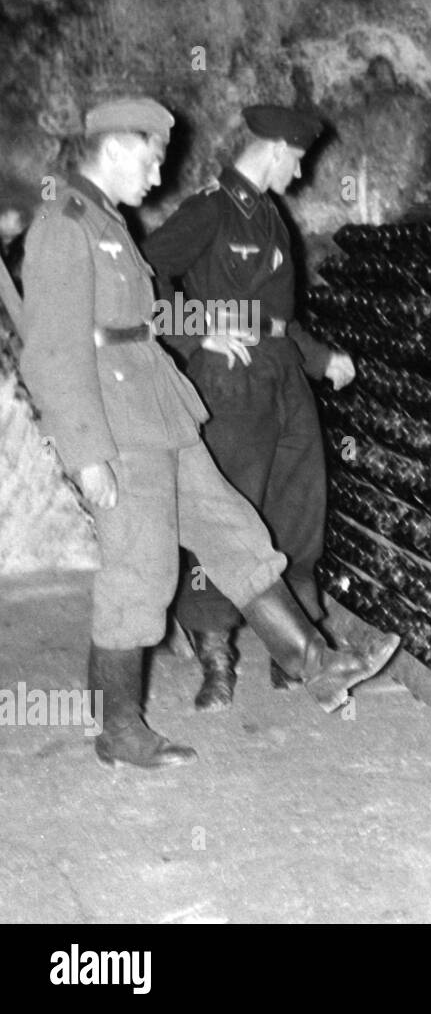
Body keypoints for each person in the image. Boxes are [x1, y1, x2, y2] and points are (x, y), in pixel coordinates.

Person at [18, 96, 399, 770]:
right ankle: (119, 729)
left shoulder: (109, 220)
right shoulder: (64, 225)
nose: (158, 172)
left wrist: (203, 326)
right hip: (115, 421)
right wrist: (86, 454)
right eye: (150, 155)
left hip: (163, 409)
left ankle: (315, 663)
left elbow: (142, 312)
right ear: (112, 149)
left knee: (235, 531)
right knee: (142, 573)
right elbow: (52, 351)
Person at [143, 104, 356, 712]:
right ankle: (217, 661)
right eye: (298, 160)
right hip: (230, 384)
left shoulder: (270, 215)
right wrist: (195, 328)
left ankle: (300, 655)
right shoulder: (209, 208)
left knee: (297, 507)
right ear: (275, 150)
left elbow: (277, 317)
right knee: (228, 517)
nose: (300, 172)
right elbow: (145, 273)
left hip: (283, 376)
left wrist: (320, 359)